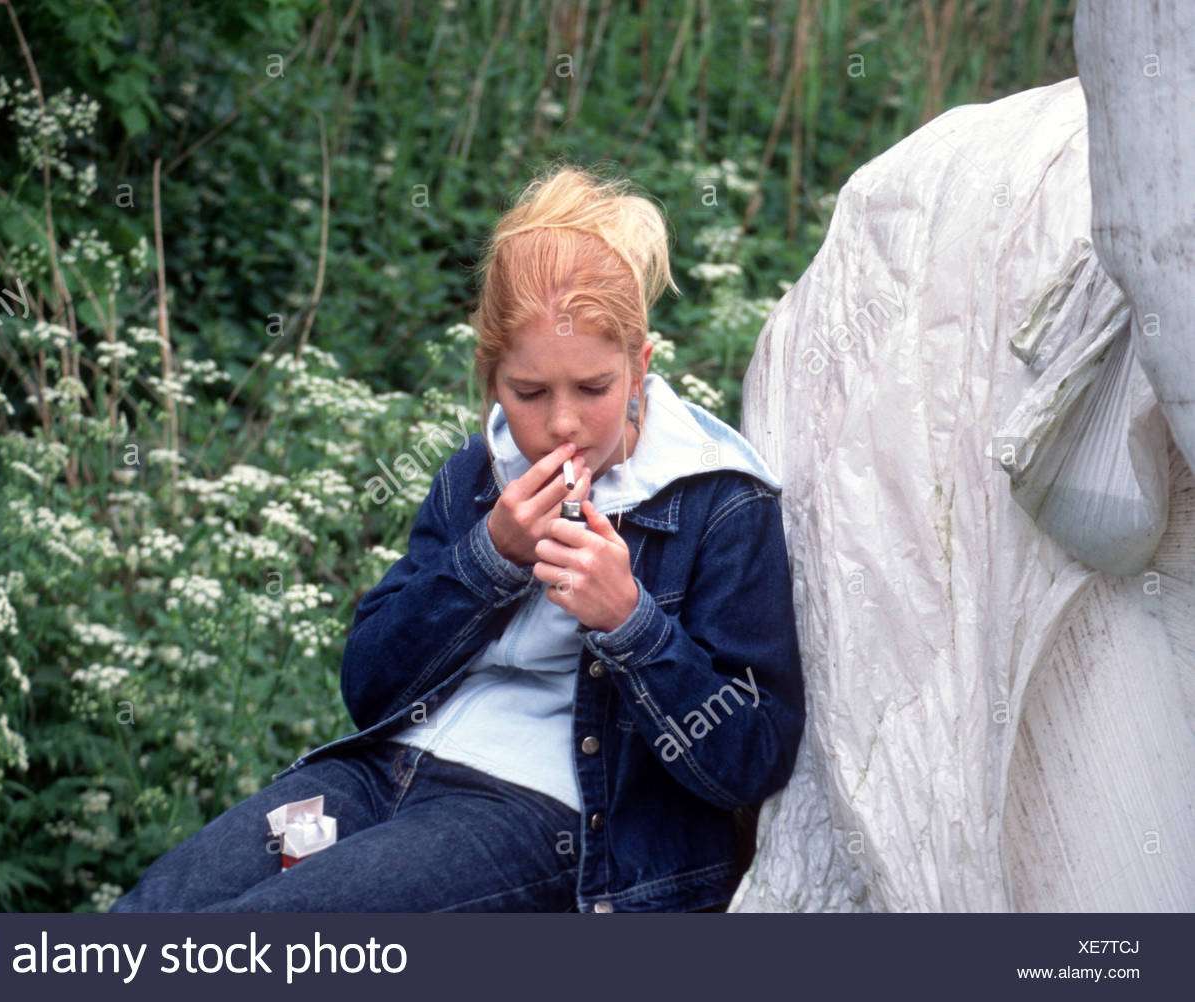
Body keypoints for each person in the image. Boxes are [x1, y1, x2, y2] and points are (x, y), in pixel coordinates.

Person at [110, 164, 804, 913]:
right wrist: (488, 558)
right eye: (530, 393)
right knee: (154, 914)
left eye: (594, 389)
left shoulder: (718, 498)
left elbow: (754, 756)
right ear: (491, 378)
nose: (562, 423)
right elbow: (370, 687)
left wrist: (630, 621)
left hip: (538, 813)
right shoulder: (477, 473)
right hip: (378, 777)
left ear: (639, 367)